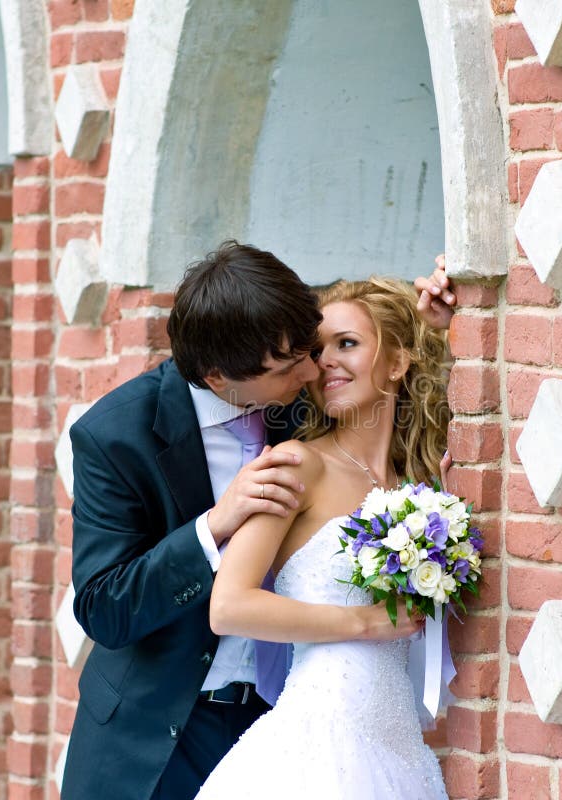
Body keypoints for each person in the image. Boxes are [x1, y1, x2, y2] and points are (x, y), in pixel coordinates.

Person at [61, 241, 456, 800]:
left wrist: (438, 325)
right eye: (294, 362)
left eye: (310, 348)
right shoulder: (115, 436)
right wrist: (213, 525)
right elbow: (103, 606)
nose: (313, 368)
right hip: (153, 740)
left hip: (287, 724)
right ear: (223, 377)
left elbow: (390, 382)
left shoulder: (304, 405)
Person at [195, 276, 452, 799]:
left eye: (347, 343)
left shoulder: (424, 490)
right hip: (318, 743)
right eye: (318, 350)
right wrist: (361, 622)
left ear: (399, 362)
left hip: (398, 746)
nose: (326, 361)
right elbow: (229, 606)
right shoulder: (297, 464)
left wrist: (451, 327)